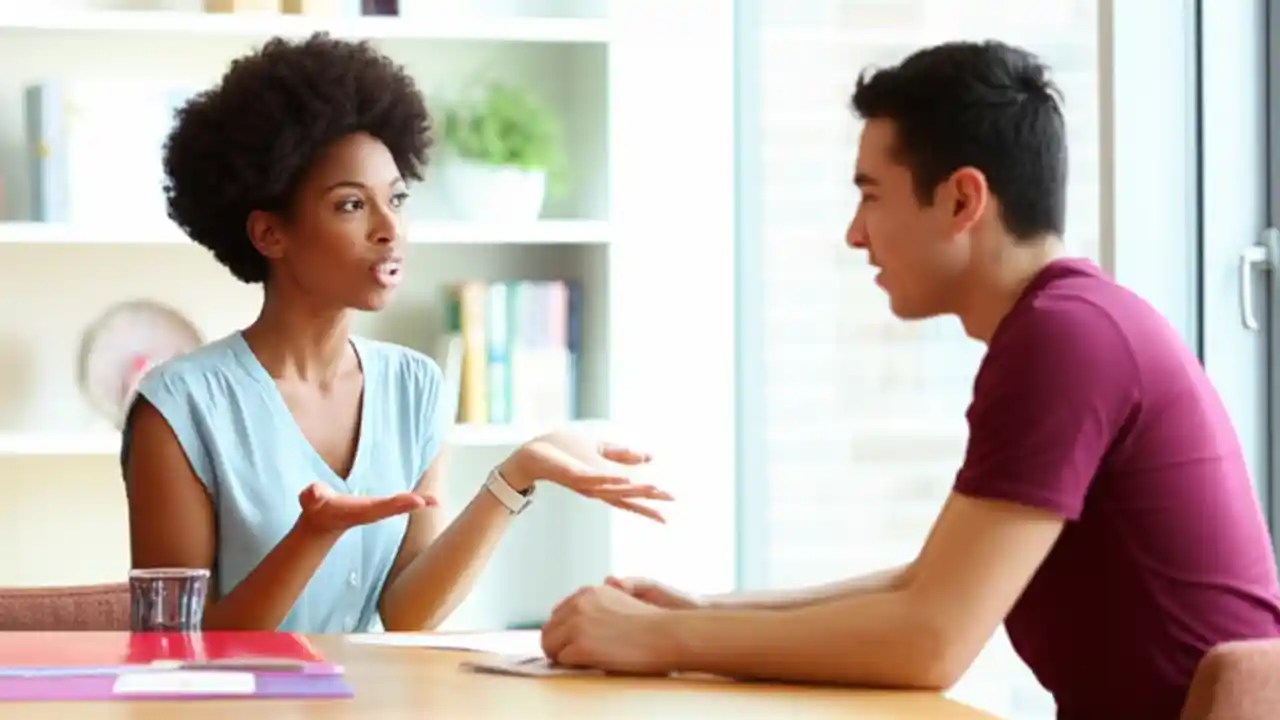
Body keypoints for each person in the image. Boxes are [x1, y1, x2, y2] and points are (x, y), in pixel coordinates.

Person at [539, 40, 1280, 719]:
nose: (854, 233)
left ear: (962, 200)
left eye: (870, 194)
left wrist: (662, 642)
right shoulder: (1070, 323)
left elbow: (930, 641)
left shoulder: (1066, 338)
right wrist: (698, 616)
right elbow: (926, 584)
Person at [121, 33, 670, 634]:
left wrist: (518, 474)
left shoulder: (415, 386)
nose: (391, 230)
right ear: (269, 235)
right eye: (351, 206)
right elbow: (177, 652)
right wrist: (312, 535)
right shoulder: (177, 412)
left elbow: (407, 615)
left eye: (397, 199)